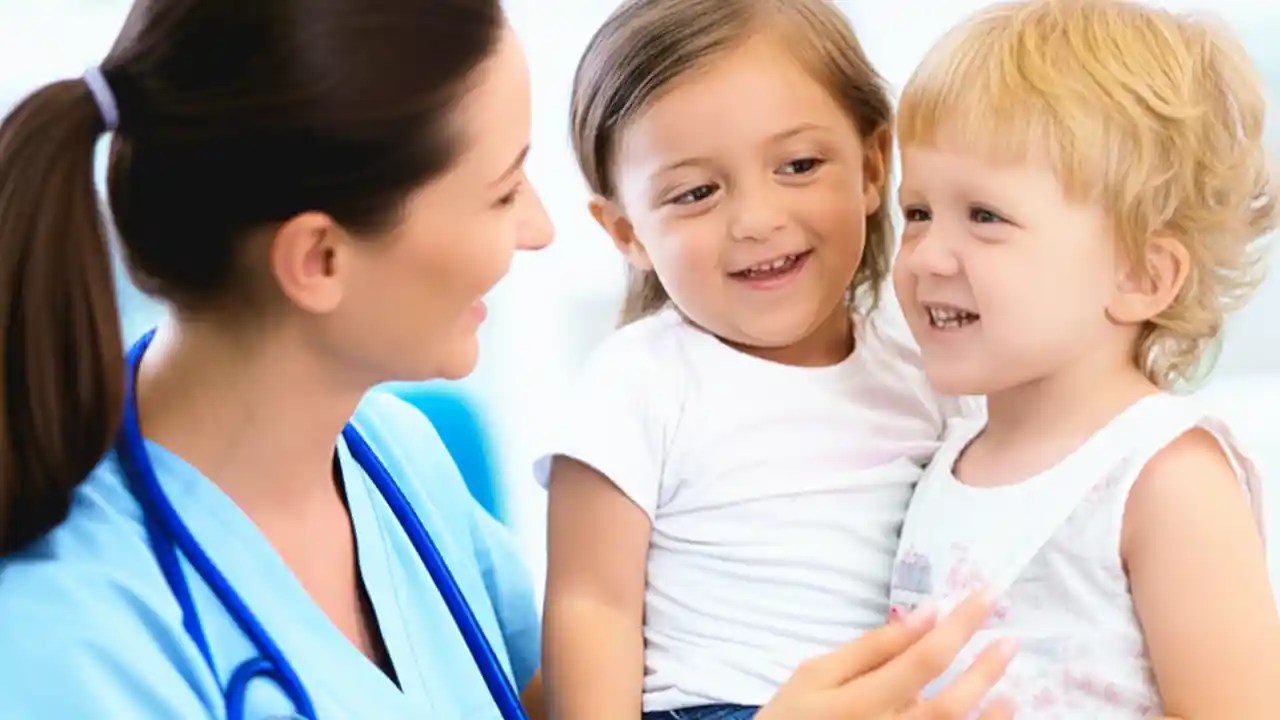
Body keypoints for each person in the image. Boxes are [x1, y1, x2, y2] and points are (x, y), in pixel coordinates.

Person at [0, 1, 1011, 718]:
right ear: (319, 258)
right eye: (500, 191)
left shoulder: (395, 461)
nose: (535, 232)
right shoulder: (63, 647)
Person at [539, 1, 1012, 718]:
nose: (756, 219)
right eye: (696, 193)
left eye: (798, 165)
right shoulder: (638, 381)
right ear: (626, 232)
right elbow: (590, 606)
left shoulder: (928, 375)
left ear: (871, 165)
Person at [886, 0, 1280, 717]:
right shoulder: (944, 454)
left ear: (1139, 277)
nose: (927, 257)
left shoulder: (1165, 478)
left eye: (985, 217)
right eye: (917, 213)